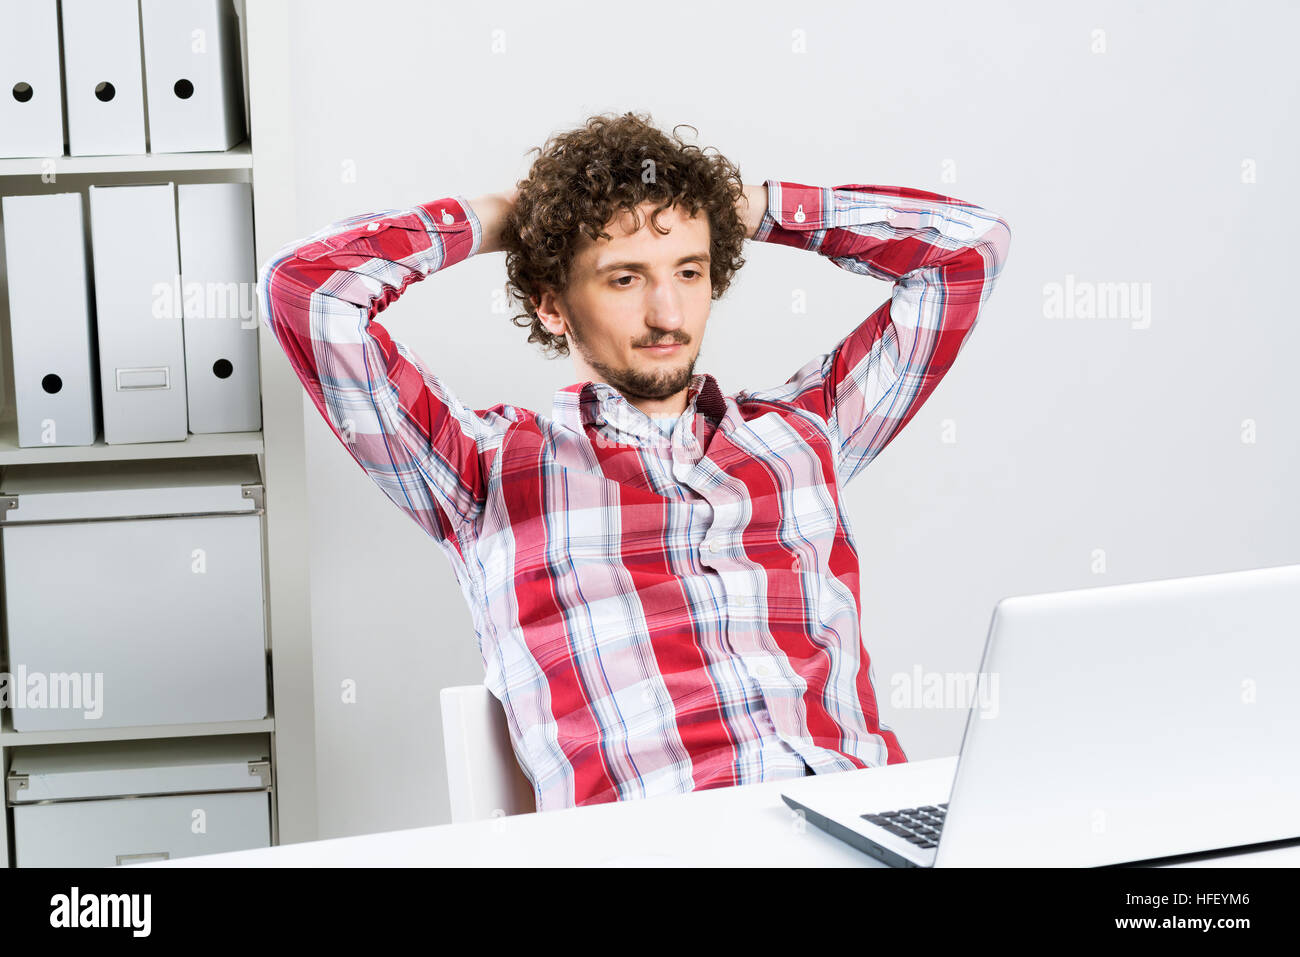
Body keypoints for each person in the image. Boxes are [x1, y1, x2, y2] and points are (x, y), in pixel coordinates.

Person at [256, 111, 1011, 812]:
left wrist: (739, 206)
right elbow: (311, 291)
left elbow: (967, 251)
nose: (668, 313)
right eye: (625, 278)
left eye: (688, 270)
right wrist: (503, 219)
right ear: (552, 303)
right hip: (659, 841)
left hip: (865, 818)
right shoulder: (483, 470)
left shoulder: (807, 433)